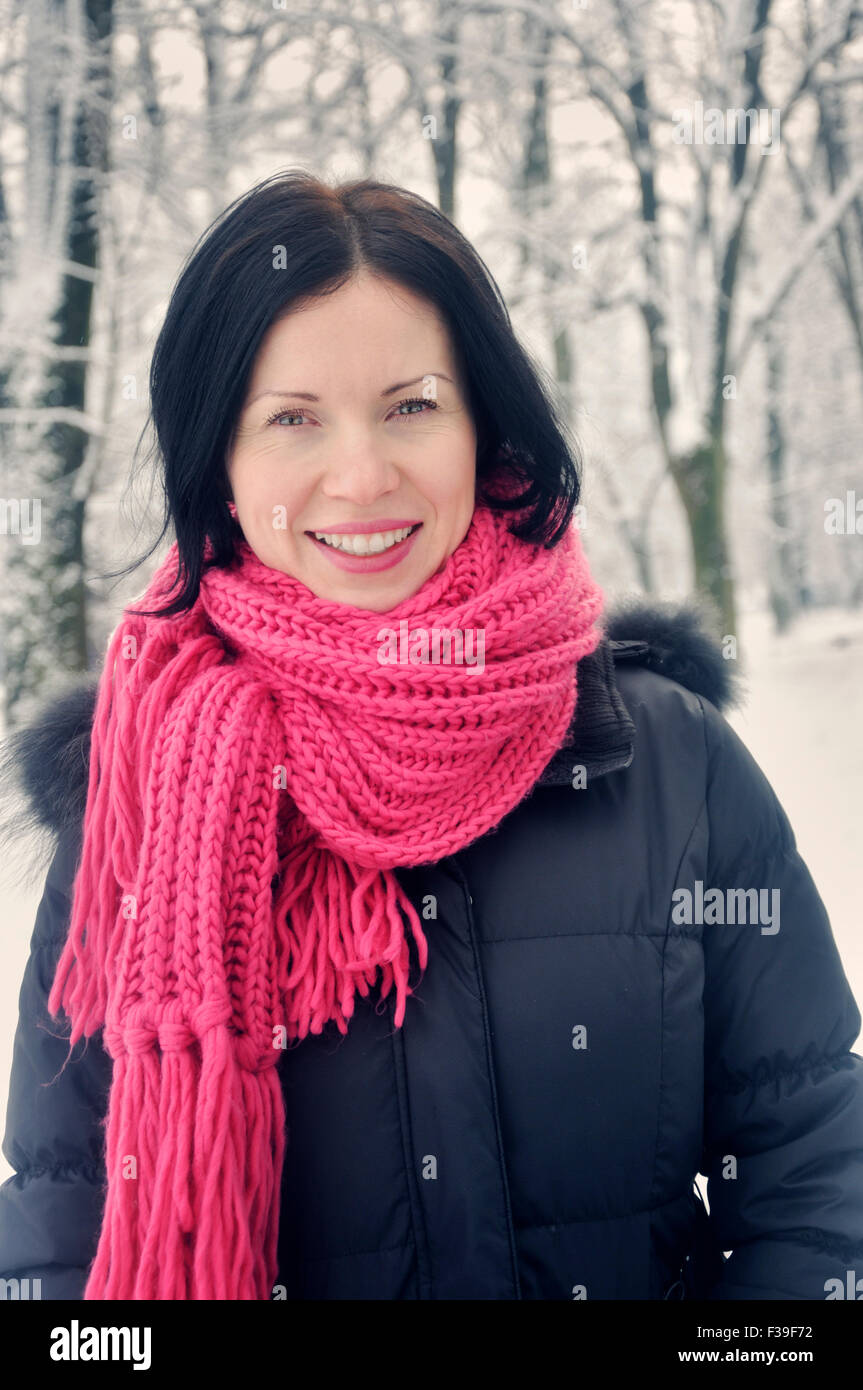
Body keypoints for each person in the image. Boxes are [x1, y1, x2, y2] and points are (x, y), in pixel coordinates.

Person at [0, 170, 861, 1301]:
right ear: (219, 460)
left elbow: (809, 1177)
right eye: (292, 419)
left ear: (481, 425)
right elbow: (67, 1224)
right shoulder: (142, 799)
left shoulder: (667, 761)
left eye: (410, 404)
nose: (361, 475)